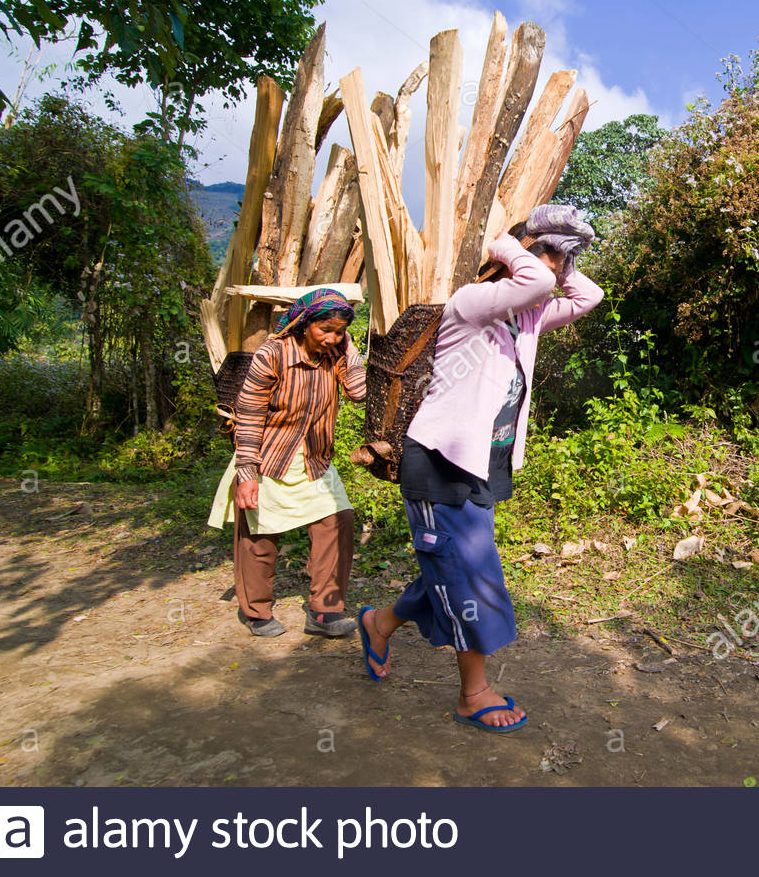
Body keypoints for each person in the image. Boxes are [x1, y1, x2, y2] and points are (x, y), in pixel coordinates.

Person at [358, 204, 604, 732]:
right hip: (438, 463)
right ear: (516, 258)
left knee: (452, 565)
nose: (555, 271)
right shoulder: (470, 304)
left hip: (483, 467)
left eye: (562, 260)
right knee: (470, 576)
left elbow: (589, 297)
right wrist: (510, 241)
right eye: (550, 256)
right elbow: (535, 278)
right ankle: (474, 693)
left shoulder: (528, 318)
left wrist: (563, 257)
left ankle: (379, 623)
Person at [207, 287, 366, 638]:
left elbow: (359, 393)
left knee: (338, 522)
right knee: (259, 538)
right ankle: (255, 611)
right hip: (268, 455)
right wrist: (246, 473)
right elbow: (248, 415)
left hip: (314, 459)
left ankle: (325, 612)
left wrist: (349, 348)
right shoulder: (273, 353)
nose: (331, 337)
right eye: (325, 329)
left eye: (339, 331)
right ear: (303, 324)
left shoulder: (335, 353)